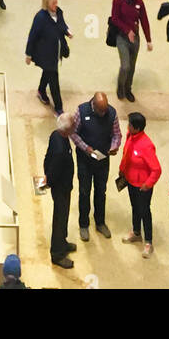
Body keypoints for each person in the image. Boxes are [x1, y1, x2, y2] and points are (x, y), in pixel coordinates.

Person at [69, 90, 121, 241]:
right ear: (94, 105)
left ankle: (100, 222)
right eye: (100, 110)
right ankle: (84, 224)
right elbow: (73, 133)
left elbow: (117, 134)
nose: (103, 113)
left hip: (102, 160)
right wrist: (86, 148)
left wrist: (114, 146)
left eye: (105, 110)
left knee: (101, 191)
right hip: (85, 160)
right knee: (84, 192)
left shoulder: (112, 113)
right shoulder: (81, 111)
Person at [119, 111, 162, 258]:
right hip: (131, 181)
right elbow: (126, 154)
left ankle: (148, 241)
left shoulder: (147, 145)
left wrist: (148, 184)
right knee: (135, 207)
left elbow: (156, 169)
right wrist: (122, 170)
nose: (127, 126)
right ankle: (136, 232)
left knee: (144, 211)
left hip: (143, 186)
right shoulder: (130, 136)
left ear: (137, 128)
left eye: (130, 124)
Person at [25, 0, 71, 112]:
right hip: (46, 55)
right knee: (54, 80)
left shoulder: (59, 12)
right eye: (53, 2)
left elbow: (62, 24)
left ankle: (41, 90)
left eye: (56, 1)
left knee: (48, 72)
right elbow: (32, 36)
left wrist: (67, 31)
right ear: (47, 3)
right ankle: (59, 108)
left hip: (57, 52)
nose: (56, 4)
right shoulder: (40, 17)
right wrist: (28, 54)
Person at [42, 113, 77, 269]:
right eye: (73, 126)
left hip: (64, 186)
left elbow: (46, 158)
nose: (75, 127)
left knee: (64, 216)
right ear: (67, 130)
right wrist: (48, 180)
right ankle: (57, 253)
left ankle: (62, 242)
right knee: (60, 219)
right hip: (61, 188)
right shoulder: (60, 149)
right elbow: (54, 168)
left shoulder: (56, 135)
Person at [109, 0, 152, 102]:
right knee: (125, 66)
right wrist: (128, 30)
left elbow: (144, 21)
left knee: (132, 66)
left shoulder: (139, 2)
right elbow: (115, 19)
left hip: (135, 39)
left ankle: (128, 89)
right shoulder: (117, 1)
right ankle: (120, 87)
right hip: (122, 37)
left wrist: (148, 40)